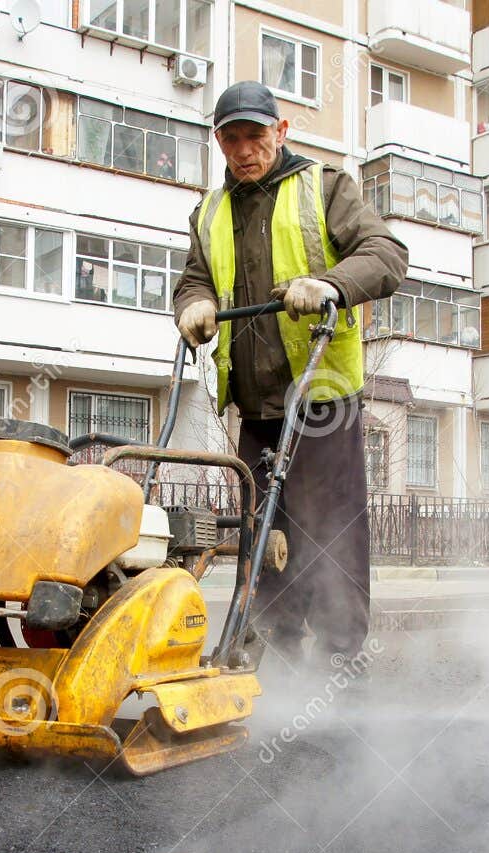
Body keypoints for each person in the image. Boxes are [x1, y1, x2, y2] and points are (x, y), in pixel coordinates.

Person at [173, 81, 408, 666]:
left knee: (331, 536)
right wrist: (192, 305)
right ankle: (271, 656)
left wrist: (329, 284)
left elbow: (386, 253)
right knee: (262, 533)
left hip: (322, 399)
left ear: (280, 132)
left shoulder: (326, 189)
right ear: (219, 142)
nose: (244, 150)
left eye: (256, 136)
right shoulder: (209, 212)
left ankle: (341, 662)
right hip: (256, 405)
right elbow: (194, 277)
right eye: (231, 140)